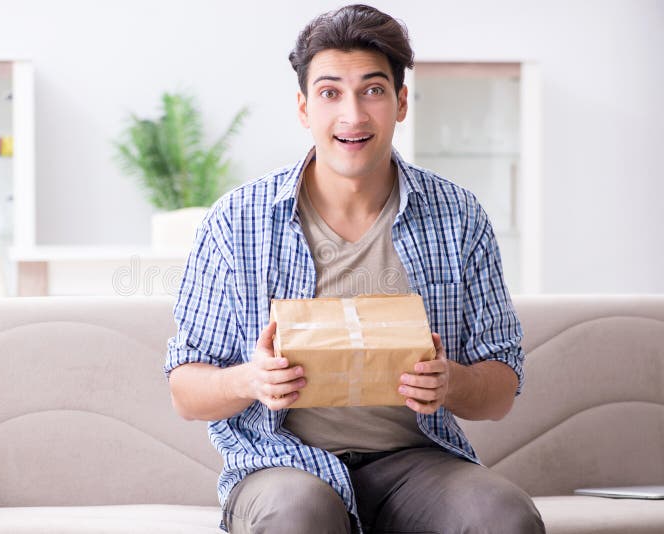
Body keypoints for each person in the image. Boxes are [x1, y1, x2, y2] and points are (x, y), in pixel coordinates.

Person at [165, 4, 545, 533]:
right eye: (330, 93)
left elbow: (501, 387)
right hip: (284, 463)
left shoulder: (459, 217)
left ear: (401, 101)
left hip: (417, 461)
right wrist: (251, 380)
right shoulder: (236, 220)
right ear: (303, 107)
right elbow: (186, 389)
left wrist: (450, 382)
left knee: (503, 517)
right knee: (299, 515)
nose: (352, 116)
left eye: (372, 90)